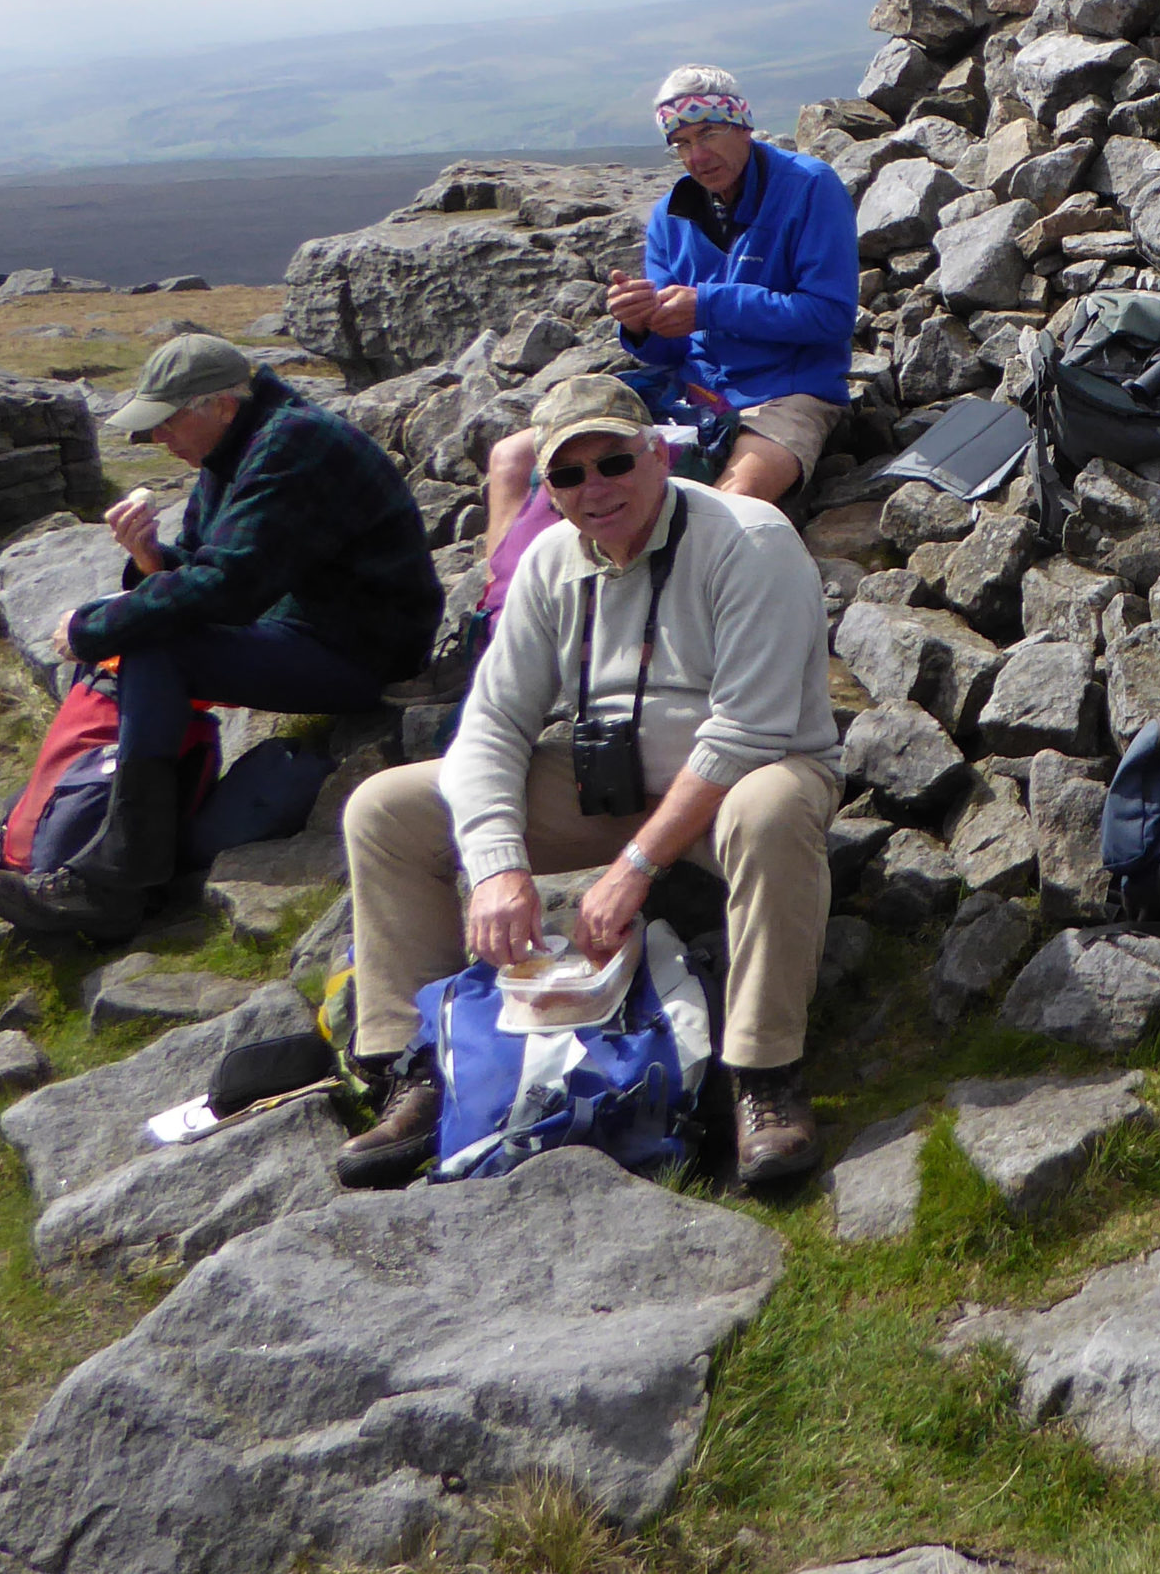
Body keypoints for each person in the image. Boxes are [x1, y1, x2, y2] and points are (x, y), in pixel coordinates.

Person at [336, 375, 842, 1192]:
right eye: (567, 476)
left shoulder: (751, 539)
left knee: (774, 807)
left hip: (742, 780)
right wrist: (498, 864)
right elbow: (492, 724)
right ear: (547, 487)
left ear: (656, 451)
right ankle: (420, 1067)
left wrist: (635, 869)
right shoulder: (548, 561)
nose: (594, 488)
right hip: (604, 783)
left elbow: (748, 731)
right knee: (385, 809)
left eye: (613, 460)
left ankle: (763, 1074)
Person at [0, 334, 443, 942]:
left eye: (165, 423)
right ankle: (38, 831)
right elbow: (202, 565)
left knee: (148, 640)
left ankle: (116, 880)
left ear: (219, 405)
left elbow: (228, 588)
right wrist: (147, 557)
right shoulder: (241, 445)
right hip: (301, 631)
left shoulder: (292, 444)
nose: (155, 439)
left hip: (359, 653)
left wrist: (92, 627)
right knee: (137, 632)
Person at [479, 63, 857, 566]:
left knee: (721, 508)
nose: (697, 157)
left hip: (789, 393)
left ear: (743, 125)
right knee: (512, 459)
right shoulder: (669, 216)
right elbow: (670, 348)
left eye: (709, 133)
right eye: (680, 144)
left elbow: (831, 315)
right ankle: (502, 609)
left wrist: (708, 305)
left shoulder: (809, 186)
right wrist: (641, 323)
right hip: (689, 388)